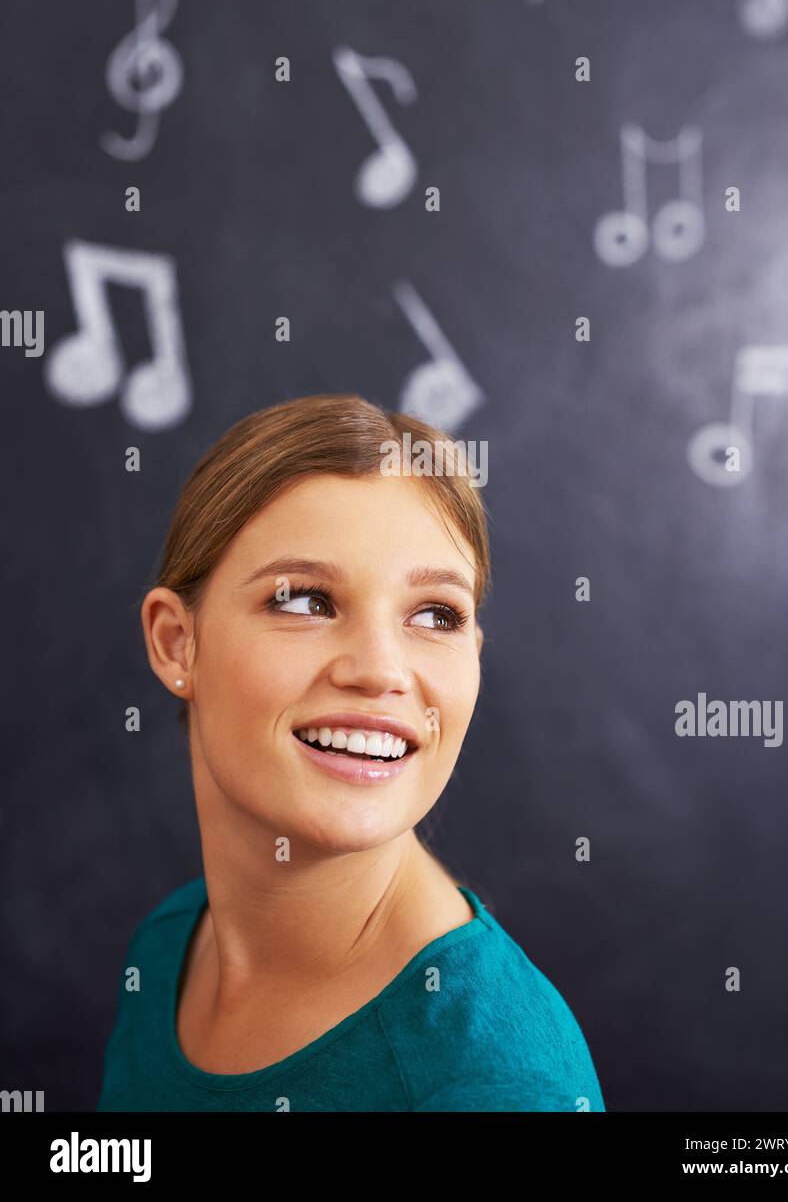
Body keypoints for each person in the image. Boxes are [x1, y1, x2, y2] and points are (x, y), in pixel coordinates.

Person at [96, 393, 605, 1112]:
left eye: (436, 614)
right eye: (305, 601)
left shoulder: (498, 1085)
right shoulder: (168, 947)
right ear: (177, 643)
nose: (380, 670)